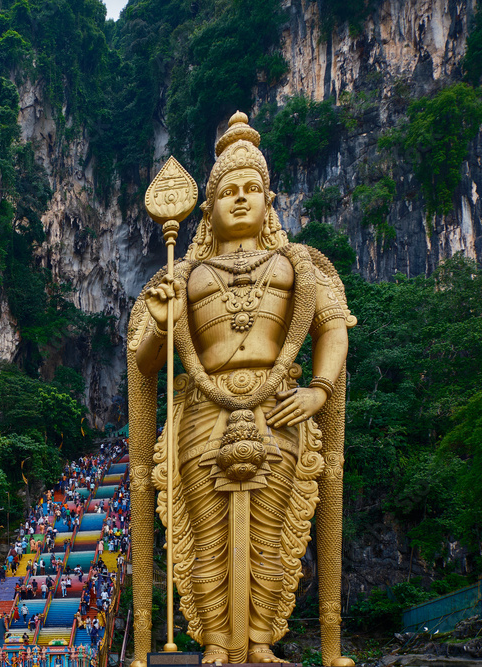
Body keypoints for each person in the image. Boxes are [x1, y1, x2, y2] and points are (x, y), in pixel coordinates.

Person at [130, 112, 354, 665]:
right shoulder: (184, 274)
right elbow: (144, 360)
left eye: (252, 188)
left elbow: (333, 328)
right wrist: (162, 319)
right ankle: (215, 641)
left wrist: (319, 390)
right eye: (228, 190)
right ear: (208, 208)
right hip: (203, 413)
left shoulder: (299, 264)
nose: (240, 199)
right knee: (205, 538)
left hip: (281, 411)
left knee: (275, 537)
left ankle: (258, 640)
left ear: (269, 201)